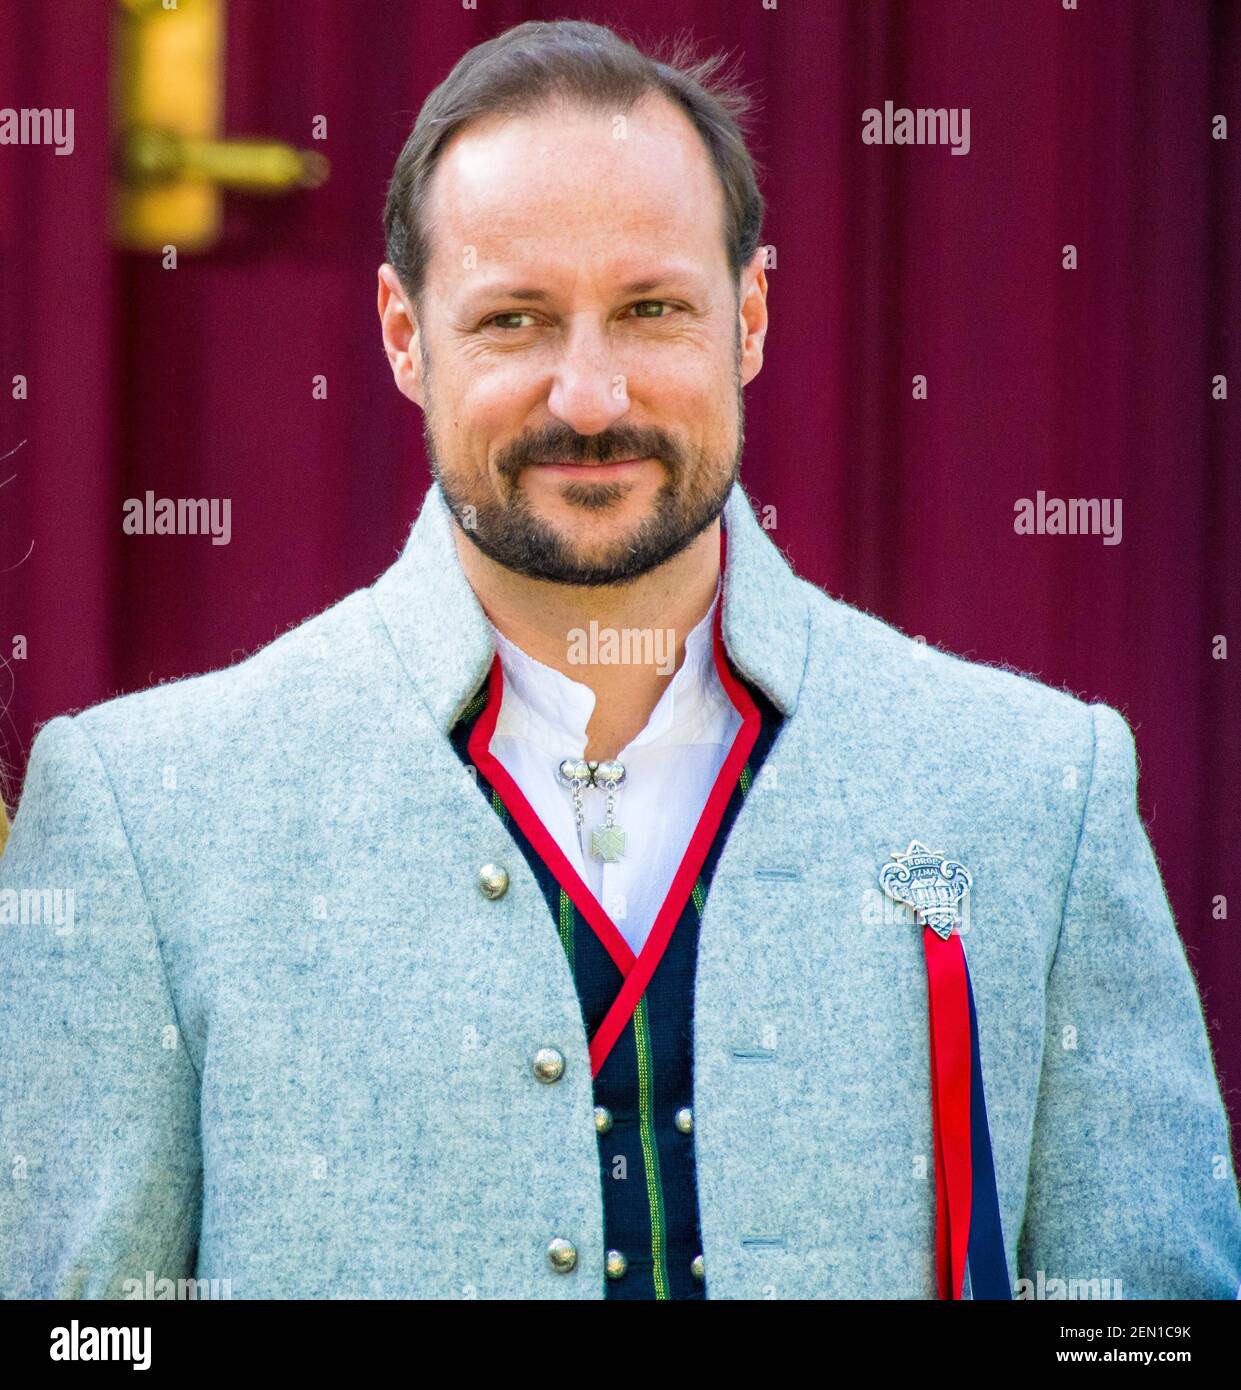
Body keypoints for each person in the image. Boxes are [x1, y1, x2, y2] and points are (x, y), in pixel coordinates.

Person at [1, 18, 1238, 1301]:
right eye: (514, 322)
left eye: (650, 310)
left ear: (747, 316)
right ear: (403, 334)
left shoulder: (1036, 788)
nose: (588, 398)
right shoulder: (146, 816)